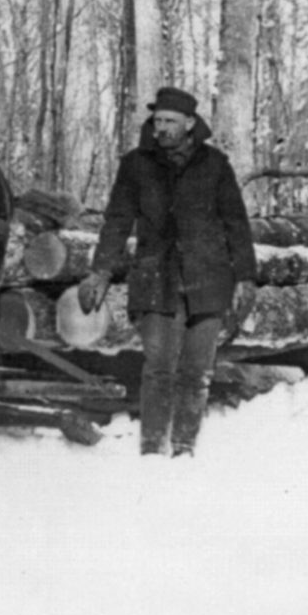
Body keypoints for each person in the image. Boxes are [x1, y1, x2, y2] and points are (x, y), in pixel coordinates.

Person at [78, 87, 257, 457]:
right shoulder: (136, 165)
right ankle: (152, 450)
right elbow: (117, 221)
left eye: (170, 122)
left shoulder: (215, 164)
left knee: (196, 371)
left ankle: (184, 446)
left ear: (190, 123)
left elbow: (236, 223)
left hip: (208, 280)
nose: (161, 128)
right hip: (156, 279)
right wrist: (100, 272)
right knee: (158, 369)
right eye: (157, 120)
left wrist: (245, 277)